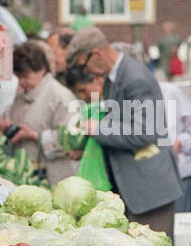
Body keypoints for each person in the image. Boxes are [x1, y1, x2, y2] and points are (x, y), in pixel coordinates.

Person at [64, 25, 180, 234]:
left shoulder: (135, 78)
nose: (86, 72)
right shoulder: (114, 77)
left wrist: (98, 129)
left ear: (97, 54)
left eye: (84, 65)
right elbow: (121, 126)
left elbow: (145, 132)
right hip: (134, 190)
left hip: (149, 194)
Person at [0, 41, 80, 187]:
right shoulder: (21, 95)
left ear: (41, 70)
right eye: (18, 77)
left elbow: (73, 141)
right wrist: (5, 127)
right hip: (24, 179)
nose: (21, 82)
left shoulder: (62, 97)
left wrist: (34, 135)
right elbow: (5, 122)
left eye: (25, 76)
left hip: (56, 180)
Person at [158, 79, 191, 214]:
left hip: (178, 176)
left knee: (177, 228)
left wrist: (180, 142)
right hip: (145, 182)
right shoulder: (125, 99)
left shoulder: (169, 92)